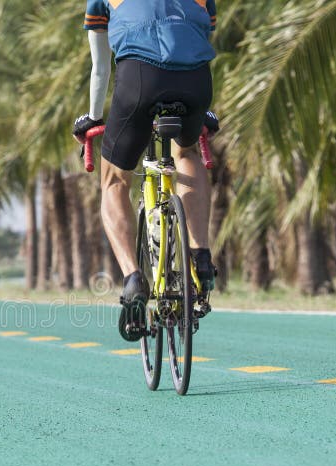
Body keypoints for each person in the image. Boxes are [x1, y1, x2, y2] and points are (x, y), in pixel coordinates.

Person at [73, 0, 218, 342]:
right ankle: (200, 254)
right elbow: (195, 42)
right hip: (196, 83)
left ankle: (133, 278)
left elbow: (100, 69)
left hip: (141, 78)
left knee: (114, 181)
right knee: (187, 154)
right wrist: (205, 111)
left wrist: (94, 118)